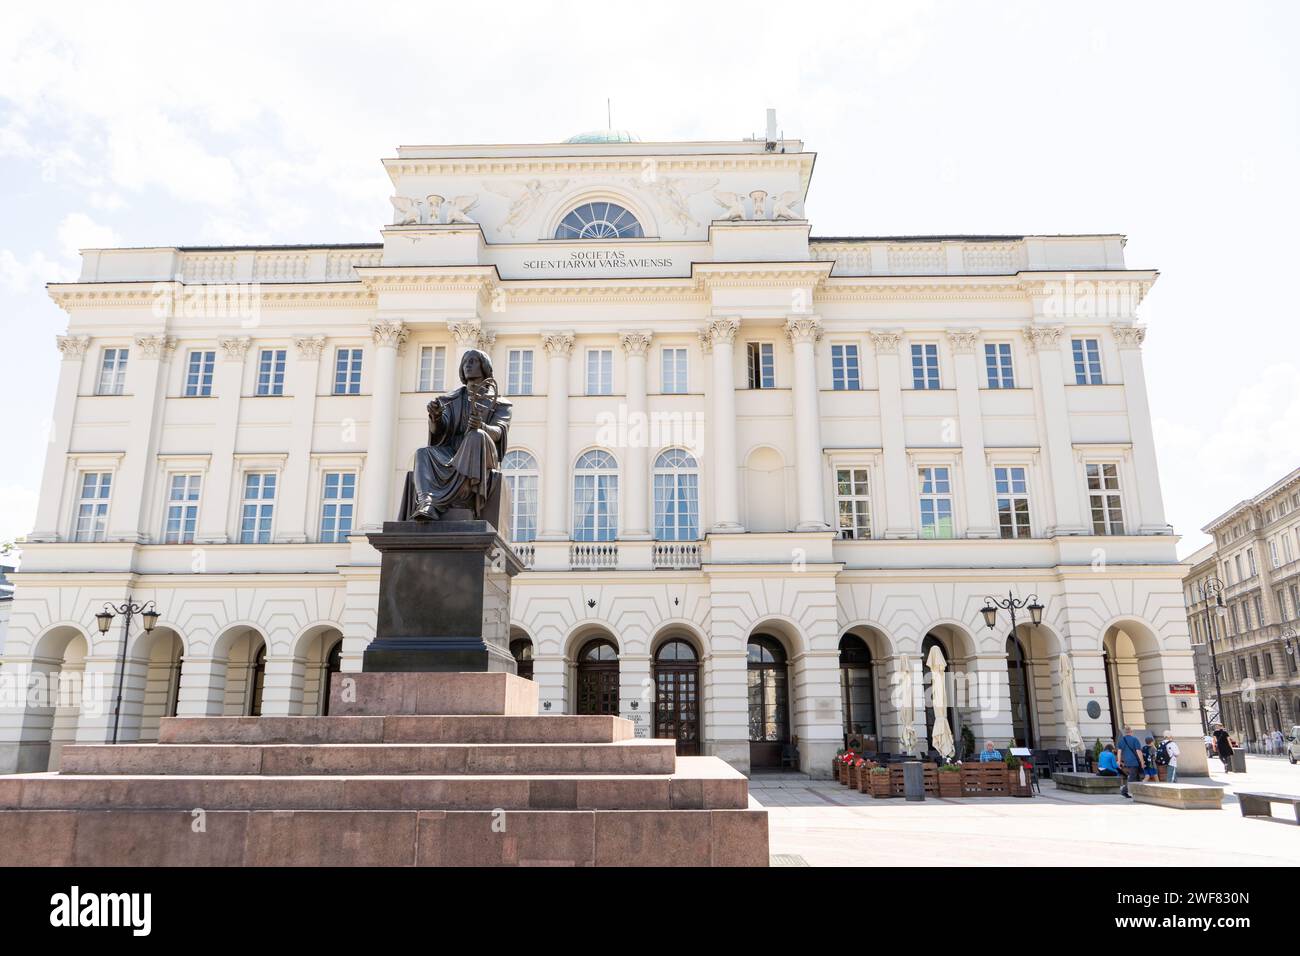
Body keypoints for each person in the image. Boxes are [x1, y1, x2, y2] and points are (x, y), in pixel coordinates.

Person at [1116, 725, 1145, 798]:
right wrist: (1142, 761)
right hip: (1134, 761)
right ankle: (1124, 791)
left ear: (1125, 732)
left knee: (1137, 776)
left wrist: (1119, 762)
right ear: (1131, 732)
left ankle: (1139, 792)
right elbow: (1138, 751)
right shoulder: (1135, 739)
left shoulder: (1121, 741)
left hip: (1127, 761)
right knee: (1132, 777)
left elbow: (1119, 752)